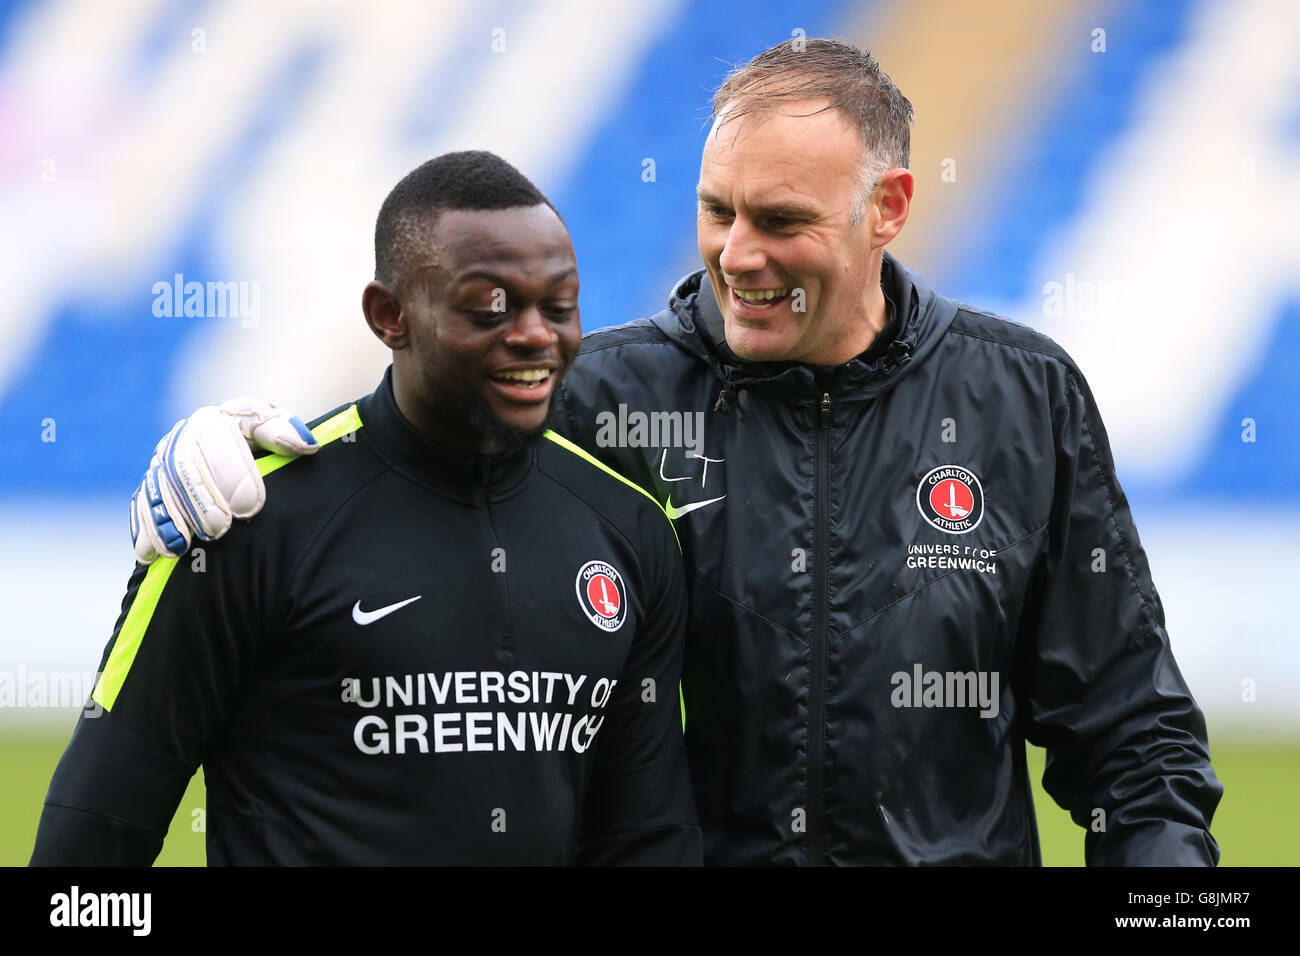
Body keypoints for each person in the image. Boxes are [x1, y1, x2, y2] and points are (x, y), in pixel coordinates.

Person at [122, 40, 1223, 865]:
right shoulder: (587, 397)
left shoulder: (1021, 400)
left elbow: (1131, 736)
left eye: (780, 220)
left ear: (886, 206)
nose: (736, 254)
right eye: (716, 210)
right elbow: (387, 482)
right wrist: (241, 457)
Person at [31, 151, 700, 866]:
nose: (537, 333)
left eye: (559, 306)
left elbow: (644, 842)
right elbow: (88, 845)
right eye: (489, 307)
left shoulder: (628, 530)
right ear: (390, 316)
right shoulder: (244, 520)